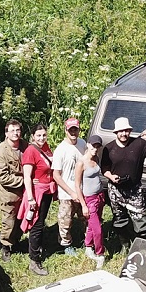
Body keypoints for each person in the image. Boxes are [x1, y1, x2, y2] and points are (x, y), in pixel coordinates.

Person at [21, 125, 87, 276]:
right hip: (37, 194)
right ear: (32, 136)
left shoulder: (45, 148)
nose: (41, 138)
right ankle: (34, 260)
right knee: (36, 224)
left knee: (41, 222)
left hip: (47, 192)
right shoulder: (30, 151)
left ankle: (38, 249)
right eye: (38, 135)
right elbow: (27, 176)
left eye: (44, 135)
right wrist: (31, 198)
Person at [100, 116, 146, 247]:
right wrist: (111, 177)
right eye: (121, 131)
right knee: (119, 220)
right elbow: (104, 168)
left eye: (126, 130)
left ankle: (143, 247)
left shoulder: (139, 144)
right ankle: (125, 245)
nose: (124, 134)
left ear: (130, 131)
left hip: (135, 190)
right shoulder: (109, 148)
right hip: (115, 190)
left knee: (141, 220)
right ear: (116, 132)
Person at [52, 117, 88, 256]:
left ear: (79, 130)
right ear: (65, 131)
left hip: (82, 190)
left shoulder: (82, 144)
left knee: (86, 217)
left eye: (75, 129)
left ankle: (88, 241)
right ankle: (66, 244)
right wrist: (71, 192)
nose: (73, 132)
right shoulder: (60, 150)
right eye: (70, 130)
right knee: (65, 220)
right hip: (67, 193)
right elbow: (56, 175)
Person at [0, 119, 27, 262]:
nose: (15, 133)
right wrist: (25, 181)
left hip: (24, 193)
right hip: (9, 194)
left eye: (18, 130)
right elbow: (3, 177)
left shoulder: (25, 146)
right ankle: (6, 246)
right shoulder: (1, 152)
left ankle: (17, 242)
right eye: (12, 130)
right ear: (6, 133)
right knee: (9, 221)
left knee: (20, 219)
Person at [78, 136, 108, 269]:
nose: (95, 149)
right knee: (98, 229)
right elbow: (77, 185)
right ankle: (100, 253)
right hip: (89, 199)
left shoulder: (96, 159)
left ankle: (88, 246)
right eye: (93, 146)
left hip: (99, 195)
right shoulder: (81, 163)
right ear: (88, 145)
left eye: (97, 147)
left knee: (93, 224)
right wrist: (83, 205)